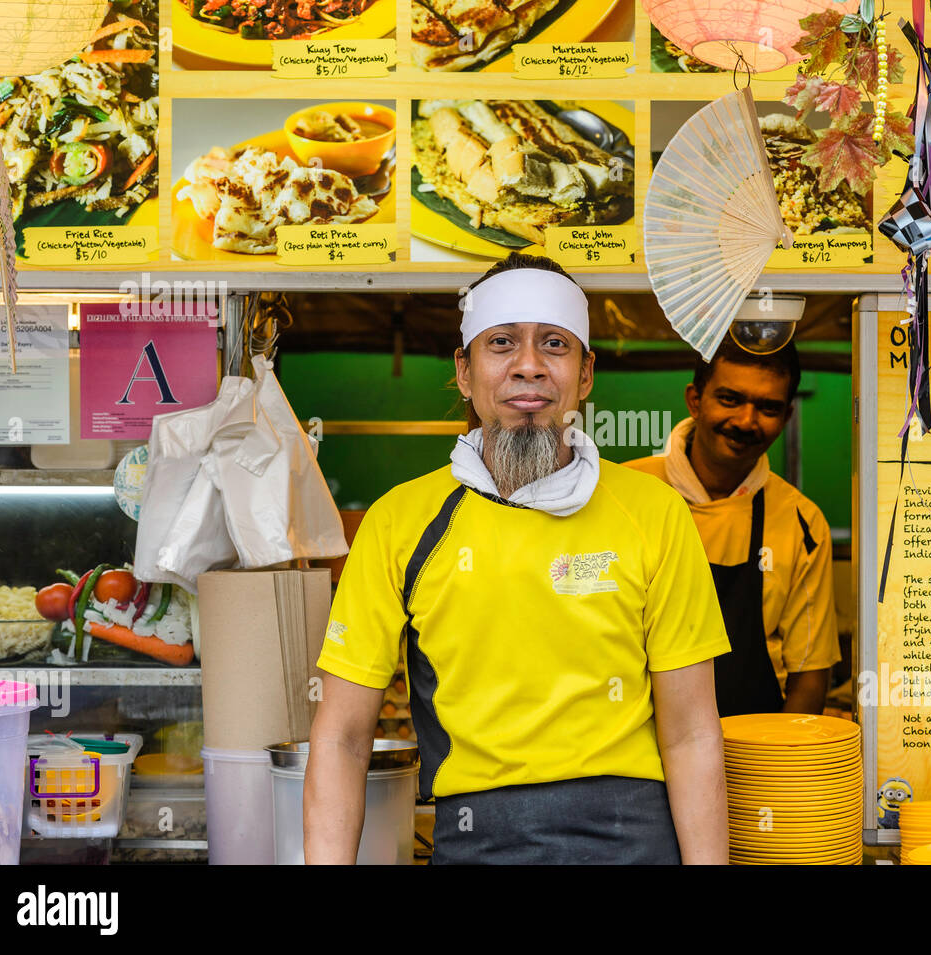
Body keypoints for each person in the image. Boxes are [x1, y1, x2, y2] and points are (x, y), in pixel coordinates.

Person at [304, 252, 731, 865]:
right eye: (502, 343)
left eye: (554, 344)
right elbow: (343, 737)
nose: (528, 367)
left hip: (634, 838)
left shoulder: (655, 513)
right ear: (464, 369)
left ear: (585, 375)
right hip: (478, 837)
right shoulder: (400, 522)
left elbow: (691, 734)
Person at [626, 338, 838, 717]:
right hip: (638, 758)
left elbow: (809, 673)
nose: (745, 421)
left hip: (753, 756)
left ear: (788, 416)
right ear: (694, 399)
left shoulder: (801, 521)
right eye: (729, 399)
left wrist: (779, 769)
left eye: (768, 407)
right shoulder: (625, 493)